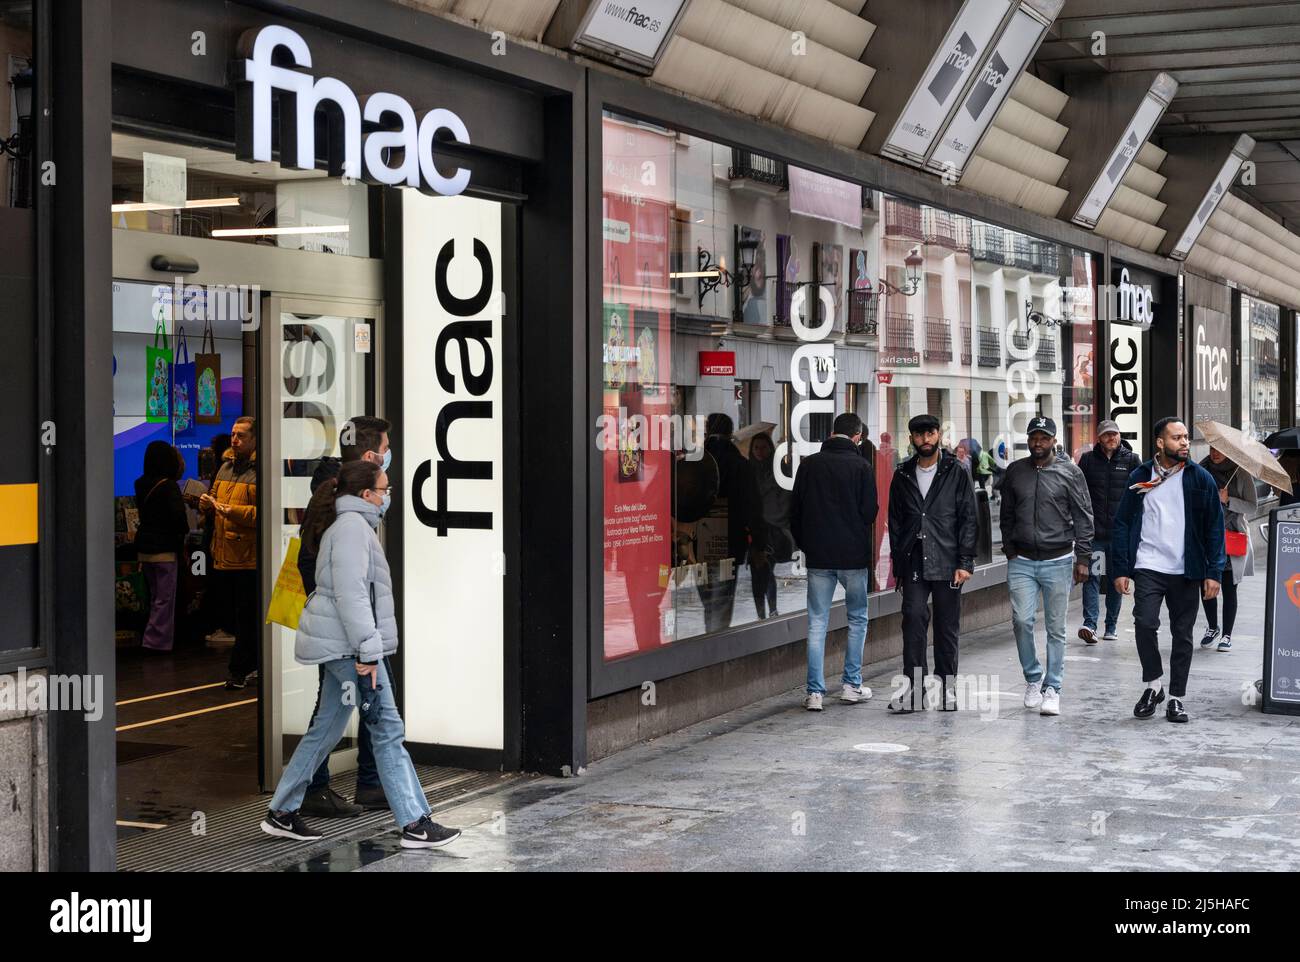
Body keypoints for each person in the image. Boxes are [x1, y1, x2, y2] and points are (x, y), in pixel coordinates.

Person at [260, 460, 460, 849]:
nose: (388, 496)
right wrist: (369, 652)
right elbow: (351, 596)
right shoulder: (352, 530)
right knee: (387, 729)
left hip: (341, 645)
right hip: (352, 648)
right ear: (366, 495)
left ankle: (282, 811)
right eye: (384, 489)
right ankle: (415, 822)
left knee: (327, 728)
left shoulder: (350, 527)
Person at [292, 416, 392, 818]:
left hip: (346, 627)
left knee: (344, 708)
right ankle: (314, 790)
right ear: (370, 457)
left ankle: (312, 793)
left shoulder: (334, 493)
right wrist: (364, 640)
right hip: (347, 629)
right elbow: (344, 582)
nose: (389, 457)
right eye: (385, 450)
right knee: (372, 707)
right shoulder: (341, 503)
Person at [1112, 418, 1225, 724]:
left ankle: (1176, 697)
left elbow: (1216, 527)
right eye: (1177, 438)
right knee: (1145, 623)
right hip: (1149, 564)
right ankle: (1153, 685)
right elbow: (1122, 522)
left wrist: (1214, 572)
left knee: (1182, 634)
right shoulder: (1140, 475)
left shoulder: (1200, 478)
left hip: (1186, 569)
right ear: (1160, 443)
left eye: (1187, 437)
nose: (1185, 442)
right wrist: (1121, 568)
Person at [1000, 416, 1094, 716]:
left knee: (1056, 629)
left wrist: (1083, 558)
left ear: (1054, 440)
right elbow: (1006, 514)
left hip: (1058, 560)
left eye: (1043, 437)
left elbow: (1084, 516)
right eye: (1033, 437)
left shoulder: (1070, 472)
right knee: (1021, 621)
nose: (1037, 443)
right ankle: (1032, 678)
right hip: (1022, 561)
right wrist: (1010, 549)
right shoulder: (1016, 472)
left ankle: (1053, 688)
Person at [887, 415, 977, 713]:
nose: (925, 439)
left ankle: (947, 688)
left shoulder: (956, 470)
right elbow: (896, 521)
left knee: (946, 626)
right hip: (913, 559)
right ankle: (913, 691)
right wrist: (897, 563)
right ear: (911, 438)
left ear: (938, 435)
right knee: (912, 619)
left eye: (930, 433)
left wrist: (965, 561)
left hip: (948, 558)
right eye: (919, 434)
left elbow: (968, 517)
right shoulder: (902, 474)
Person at [790, 412, 879, 710]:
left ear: (831, 434)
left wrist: (808, 544)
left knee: (817, 622)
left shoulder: (809, 465)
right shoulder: (862, 467)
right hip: (852, 557)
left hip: (818, 557)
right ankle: (851, 685)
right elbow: (869, 512)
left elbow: (795, 512)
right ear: (857, 437)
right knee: (856, 618)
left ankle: (815, 693)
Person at [201, 417, 259, 689]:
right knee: (235, 615)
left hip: (248, 554)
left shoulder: (261, 470)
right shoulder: (225, 466)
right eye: (234, 434)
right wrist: (205, 503)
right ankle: (250, 664)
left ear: (255, 439)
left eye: (242, 436)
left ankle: (241, 668)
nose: (235, 440)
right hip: (222, 551)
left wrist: (229, 510)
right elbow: (214, 495)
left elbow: (264, 513)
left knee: (247, 615)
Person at [697, 414, 768, 633]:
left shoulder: (697, 459)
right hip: (730, 540)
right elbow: (754, 508)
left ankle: (709, 635)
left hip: (698, 539)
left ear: (707, 430)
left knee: (707, 597)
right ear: (730, 433)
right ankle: (716, 642)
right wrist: (759, 544)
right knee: (722, 596)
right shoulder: (739, 464)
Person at [1076, 419, 1141, 644]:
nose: (1111, 438)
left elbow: (1139, 495)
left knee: (1116, 578)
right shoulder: (1087, 460)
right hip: (1094, 536)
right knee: (1091, 577)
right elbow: (1079, 493)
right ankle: (1090, 624)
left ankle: (1111, 626)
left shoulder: (1132, 460)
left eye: (1114, 434)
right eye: (1106, 435)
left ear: (1120, 436)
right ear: (1099, 438)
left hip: (1119, 536)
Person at [1199, 446, 1258, 653]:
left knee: (1228, 587)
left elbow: (1252, 507)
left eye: (1220, 450)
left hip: (1231, 538)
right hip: (1207, 536)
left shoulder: (1240, 473)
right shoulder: (1201, 470)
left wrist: (1228, 500)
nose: (1215, 453)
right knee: (1206, 586)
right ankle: (1212, 627)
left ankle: (1227, 635)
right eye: (1212, 449)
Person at [134, 442, 190, 653]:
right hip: (165, 550)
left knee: (153, 595)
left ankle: (151, 637)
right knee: (165, 599)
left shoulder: (140, 483)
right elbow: (178, 520)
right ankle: (156, 641)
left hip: (145, 549)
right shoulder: (169, 485)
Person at [748, 431, 793, 619]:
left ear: (770, 448)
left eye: (763, 447)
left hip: (771, 529)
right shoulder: (748, 469)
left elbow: (786, 497)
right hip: (754, 528)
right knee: (757, 572)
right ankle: (762, 612)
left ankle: (771, 610)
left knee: (765, 569)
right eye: (756, 448)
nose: (759, 451)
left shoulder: (779, 470)